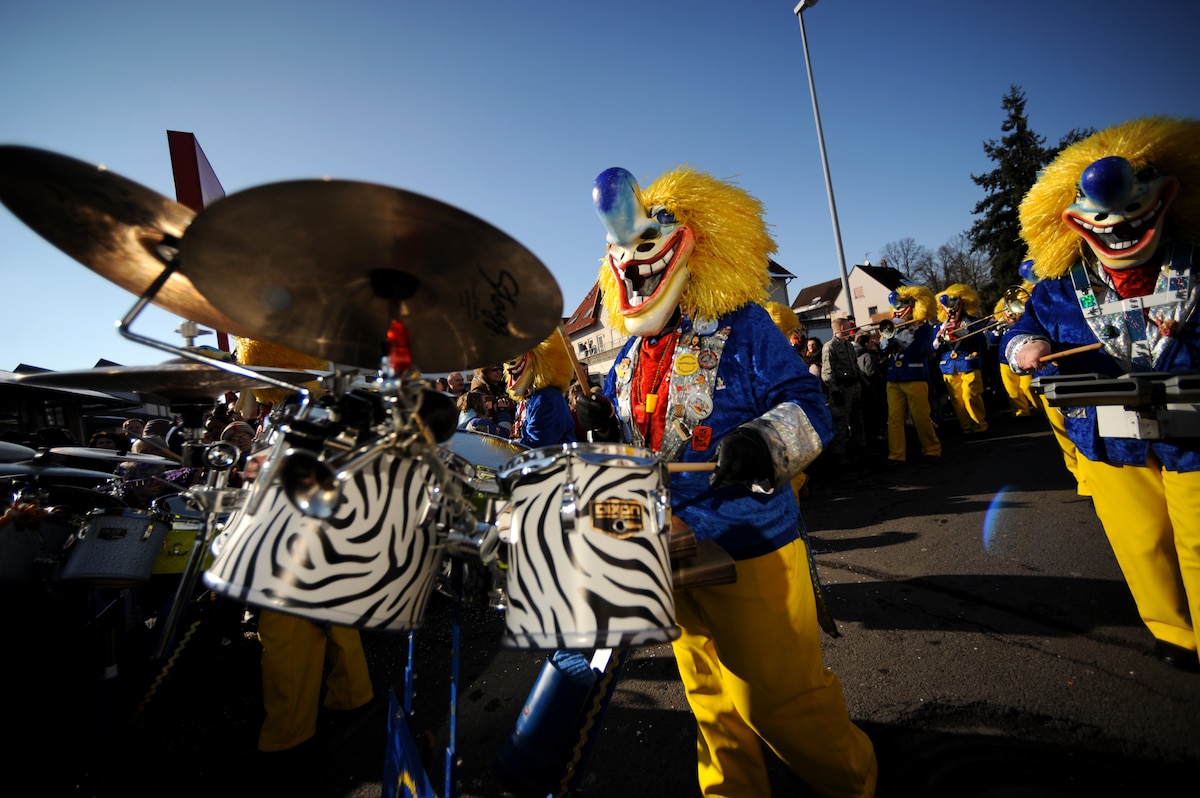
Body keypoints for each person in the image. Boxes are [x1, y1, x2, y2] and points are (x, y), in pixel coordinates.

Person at [578, 165, 876, 797]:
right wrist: (602, 427)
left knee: (780, 703)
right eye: (624, 250)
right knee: (710, 702)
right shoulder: (627, 357)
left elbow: (809, 407)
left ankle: (854, 782)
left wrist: (763, 442)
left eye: (655, 232)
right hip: (672, 546)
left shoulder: (745, 327)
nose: (637, 257)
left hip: (749, 547)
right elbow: (631, 444)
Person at [1003, 117, 1200, 671]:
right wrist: (1024, 347)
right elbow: (1021, 330)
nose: (1116, 219)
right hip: (1111, 435)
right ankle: (1172, 632)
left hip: (1195, 431)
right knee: (1139, 540)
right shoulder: (1057, 288)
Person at [879, 286, 942, 465]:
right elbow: (882, 350)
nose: (898, 311)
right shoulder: (894, 328)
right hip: (894, 378)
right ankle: (896, 455)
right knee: (894, 419)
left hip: (915, 376)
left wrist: (899, 335)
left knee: (921, 417)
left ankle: (932, 449)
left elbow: (917, 349)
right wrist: (889, 336)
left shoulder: (923, 328)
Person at [933, 284, 990, 435]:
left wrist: (959, 332)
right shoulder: (939, 326)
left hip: (969, 363)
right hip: (949, 367)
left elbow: (980, 340)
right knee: (957, 400)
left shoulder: (973, 321)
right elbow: (933, 348)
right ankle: (966, 428)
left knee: (970, 395)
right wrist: (939, 338)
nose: (950, 310)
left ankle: (980, 426)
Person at [503, 333, 577, 449]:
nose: (509, 366)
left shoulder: (547, 398)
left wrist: (503, 448)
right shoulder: (530, 397)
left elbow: (536, 445)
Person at [821, 316, 867, 469]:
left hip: (854, 388)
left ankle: (861, 450)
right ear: (842, 328)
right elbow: (827, 373)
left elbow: (855, 368)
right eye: (848, 326)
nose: (850, 328)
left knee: (858, 421)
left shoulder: (848, 346)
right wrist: (835, 391)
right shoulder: (830, 347)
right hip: (842, 390)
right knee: (841, 424)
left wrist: (865, 384)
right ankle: (839, 456)